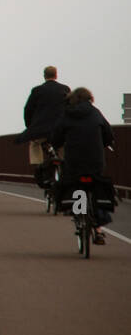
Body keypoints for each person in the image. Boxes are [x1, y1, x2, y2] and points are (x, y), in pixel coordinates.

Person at [51, 87, 115, 244]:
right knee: (96, 187)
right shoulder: (96, 113)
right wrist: (104, 143)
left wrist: (56, 144)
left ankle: (78, 214)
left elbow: (56, 135)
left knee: (73, 184)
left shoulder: (67, 114)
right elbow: (108, 134)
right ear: (90, 98)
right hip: (95, 160)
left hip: (74, 160)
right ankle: (98, 228)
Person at [22, 67, 69, 187]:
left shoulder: (37, 91)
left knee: (34, 144)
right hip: (60, 130)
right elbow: (71, 108)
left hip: (42, 131)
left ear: (44, 76)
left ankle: (38, 167)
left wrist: (30, 128)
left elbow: (28, 110)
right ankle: (64, 167)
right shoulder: (65, 89)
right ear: (56, 75)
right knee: (62, 146)